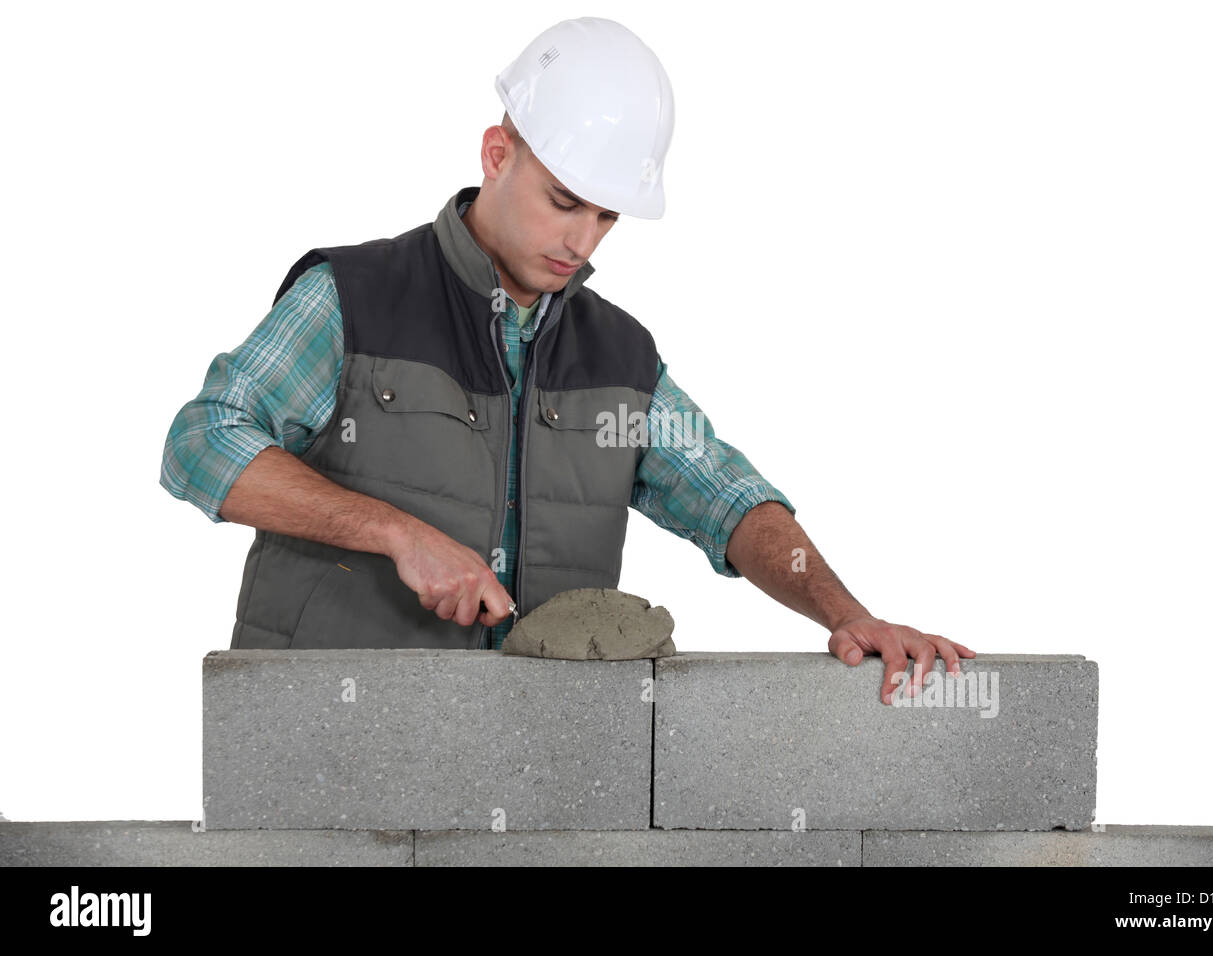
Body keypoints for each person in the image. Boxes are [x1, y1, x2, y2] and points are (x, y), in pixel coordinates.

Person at [159, 16, 973, 703]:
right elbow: (201, 443)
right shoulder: (357, 299)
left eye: (607, 216)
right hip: (322, 754)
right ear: (495, 154)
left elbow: (730, 500)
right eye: (563, 201)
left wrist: (844, 611)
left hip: (530, 776)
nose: (582, 241)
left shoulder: (617, 360)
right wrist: (398, 534)